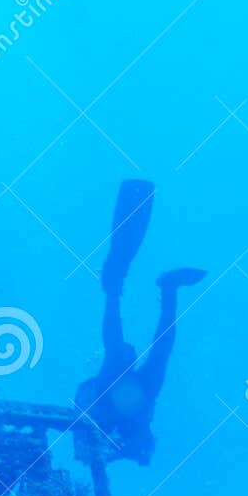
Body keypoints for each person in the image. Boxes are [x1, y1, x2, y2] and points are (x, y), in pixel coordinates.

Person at [74, 179, 205, 465]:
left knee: (119, 351)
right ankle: (166, 289)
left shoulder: (109, 439)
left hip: (109, 400)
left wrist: (123, 450)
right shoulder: (134, 431)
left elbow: (89, 450)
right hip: (130, 400)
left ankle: (115, 291)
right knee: (155, 354)